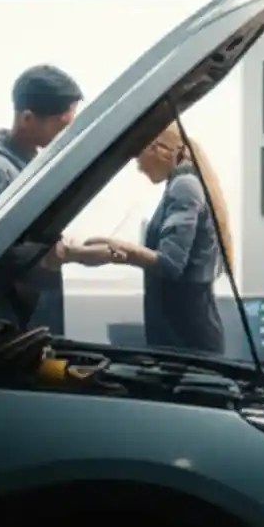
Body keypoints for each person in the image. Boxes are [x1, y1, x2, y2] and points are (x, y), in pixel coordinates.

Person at [84, 122, 232, 355]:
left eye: (137, 156)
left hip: (186, 332)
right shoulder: (182, 184)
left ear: (157, 149)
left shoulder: (184, 186)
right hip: (182, 325)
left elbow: (169, 264)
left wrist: (120, 248)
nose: (138, 168)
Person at [0, 63, 86, 337]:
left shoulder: (29, 165)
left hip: (35, 319)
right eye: (61, 124)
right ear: (27, 118)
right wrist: (68, 253)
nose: (68, 134)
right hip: (10, 325)